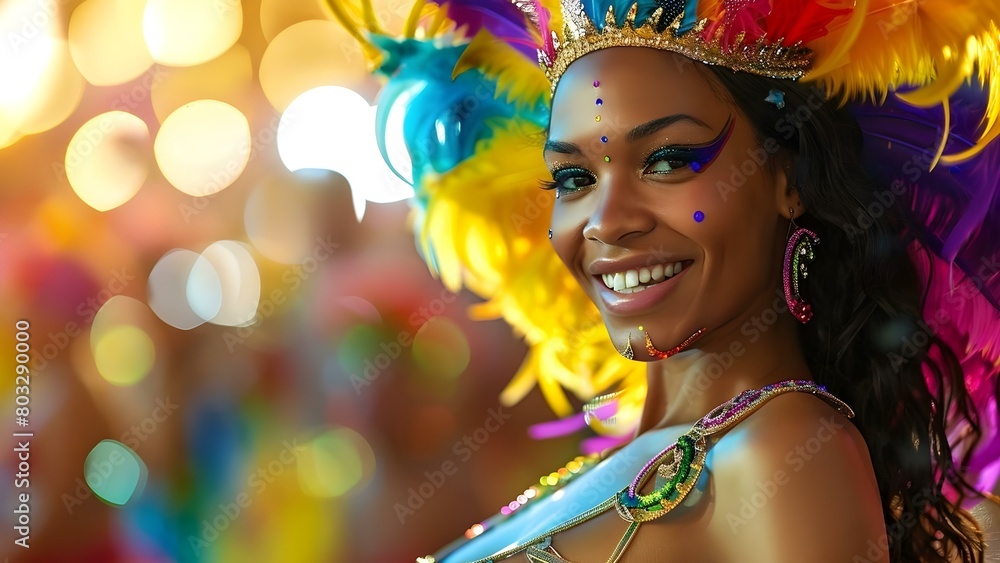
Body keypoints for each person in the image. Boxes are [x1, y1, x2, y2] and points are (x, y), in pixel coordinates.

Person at [326, 0, 1000, 561]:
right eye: (574, 178)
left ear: (788, 178)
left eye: (669, 160)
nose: (607, 221)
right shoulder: (655, 456)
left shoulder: (783, 453)